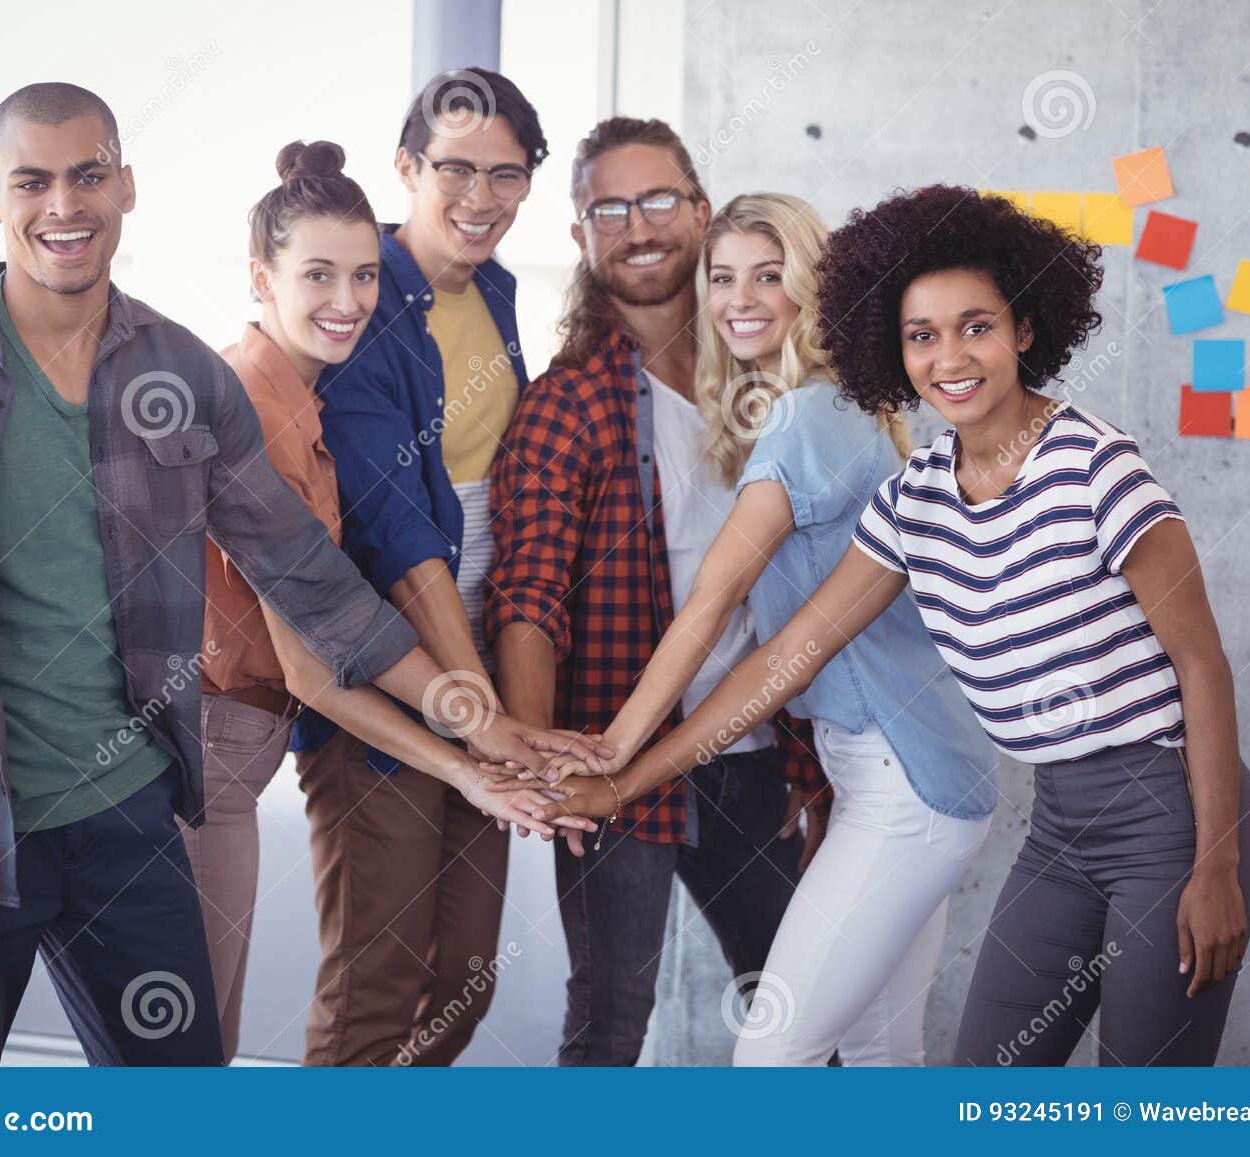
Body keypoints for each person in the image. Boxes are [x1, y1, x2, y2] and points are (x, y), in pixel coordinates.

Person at [0, 83, 597, 1068]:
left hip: (126, 815)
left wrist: (485, 725)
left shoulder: (181, 375)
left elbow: (313, 584)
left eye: (89, 175)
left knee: (182, 1093)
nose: (65, 205)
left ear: (126, 186)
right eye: (33, 182)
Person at [531, 184, 1250, 1067]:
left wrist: (1216, 863)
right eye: (922, 335)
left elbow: (1201, 664)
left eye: (975, 327)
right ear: (894, 346)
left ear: (1026, 329)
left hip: (1166, 811)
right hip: (1055, 825)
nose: (949, 357)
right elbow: (786, 657)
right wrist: (625, 781)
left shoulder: (1096, 466)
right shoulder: (914, 498)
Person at [510, 192, 1000, 1066]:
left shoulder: (808, 416)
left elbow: (716, 603)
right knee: (882, 1056)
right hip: (905, 771)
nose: (740, 299)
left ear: (810, 289)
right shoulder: (819, 408)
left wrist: (618, 753)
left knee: (774, 1055)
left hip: (904, 778)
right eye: (723, 276)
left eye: (768, 276)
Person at [190, 139, 593, 1060]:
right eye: (318, 275)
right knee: (200, 1049)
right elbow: (317, 661)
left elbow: (342, 615)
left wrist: (484, 724)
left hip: (255, 742)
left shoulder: (307, 396)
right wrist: (469, 749)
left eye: (365, 275)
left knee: (439, 990)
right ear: (260, 277)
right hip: (204, 750)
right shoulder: (254, 409)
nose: (348, 300)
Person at [487, 119, 826, 1067]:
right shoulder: (570, 402)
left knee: (800, 1013)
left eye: (659, 199)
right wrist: (542, 763)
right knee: (610, 1022)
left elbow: (801, 595)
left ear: (701, 210)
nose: (637, 226)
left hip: (751, 756)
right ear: (581, 234)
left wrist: (810, 760)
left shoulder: (770, 385)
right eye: (609, 209)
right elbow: (527, 598)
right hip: (612, 760)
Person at [290, 68, 562, 1067]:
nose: (480, 196)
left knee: (461, 984)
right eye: (455, 169)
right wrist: (478, 712)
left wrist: (501, 701)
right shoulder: (364, 301)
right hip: (391, 680)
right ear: (406, 167)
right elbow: (400, 537)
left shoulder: (495, 289)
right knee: (376, 990)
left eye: (506, 173)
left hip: (477, 661)